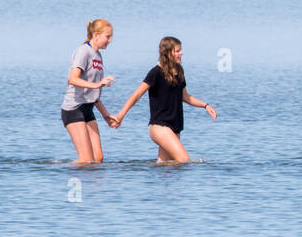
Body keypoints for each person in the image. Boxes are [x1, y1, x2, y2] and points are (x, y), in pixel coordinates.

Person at [111, 36, 217, 163]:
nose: (181, 53)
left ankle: (153, 183)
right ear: (167, 53)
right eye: (177, 51)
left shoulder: (179, 71)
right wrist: (120, 115)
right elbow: (136, 95)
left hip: (175, 125)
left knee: (165, 166)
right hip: (160, 126)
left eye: (181, 50)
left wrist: (205, 105)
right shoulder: (155, 73)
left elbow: (185, 96)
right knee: (183, 160)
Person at [61, 19, 118, 163]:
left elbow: (93, 94)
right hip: (73, 109)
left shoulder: (98, 55)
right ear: (96, 35)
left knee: (98, 159)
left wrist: (106, 115)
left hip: (88, 108)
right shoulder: (83, 52)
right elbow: (73, 79)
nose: (110, 40)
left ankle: (94, 185)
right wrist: (98, 84)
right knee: (86, 159)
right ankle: (64, 176)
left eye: (111, 37)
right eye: (108, 36)